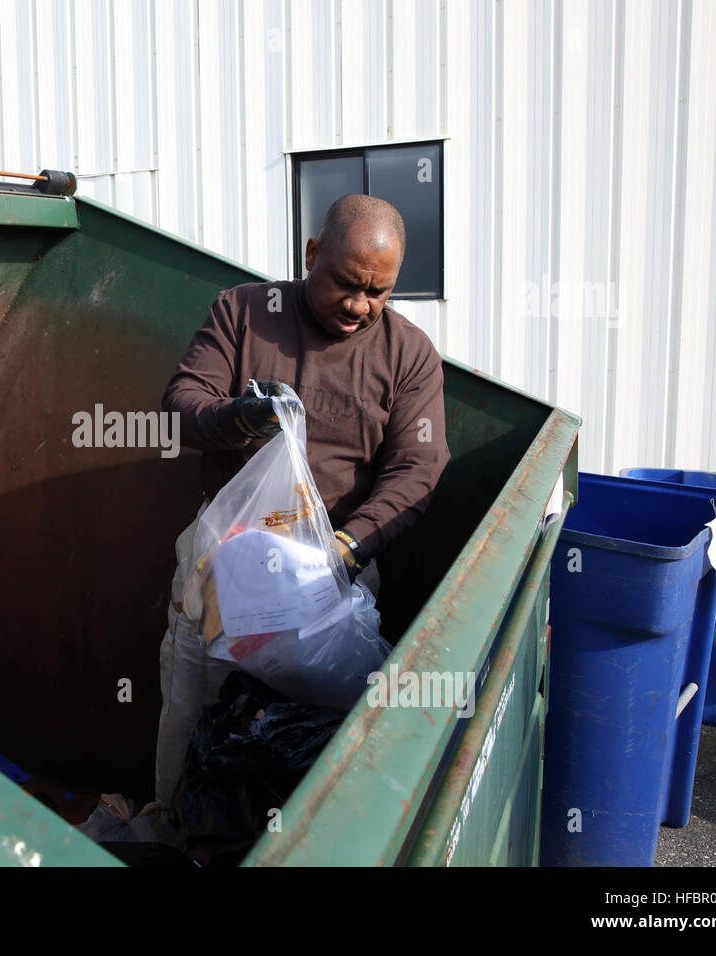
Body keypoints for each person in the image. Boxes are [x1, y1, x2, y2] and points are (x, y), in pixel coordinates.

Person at [153, 193, 451, 804]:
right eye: (345, 284)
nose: (359, 305)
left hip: (337, 572)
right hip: (225, 563)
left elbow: (419, 468)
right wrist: (238, 417)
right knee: (195, 701)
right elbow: (181, 406)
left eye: (378, 293)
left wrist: (344, 551)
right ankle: (177, 832)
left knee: (314, 729)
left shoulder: (408, 353)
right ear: (312, 253)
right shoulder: (243, 313)